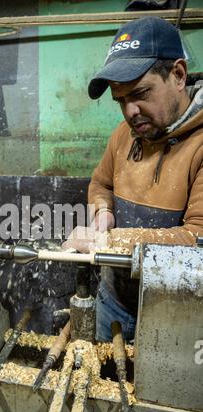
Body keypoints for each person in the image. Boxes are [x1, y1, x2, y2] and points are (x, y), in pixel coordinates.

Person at [63, 16, 203, 342]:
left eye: (140, 93)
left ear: (178, 75)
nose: (130, 111)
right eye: (121, 100)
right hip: (113, 299)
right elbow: (101, 184)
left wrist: (107, 242)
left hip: (173, 310)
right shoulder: (124, 135)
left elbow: (198, 239)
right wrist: (102, 213)